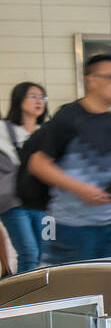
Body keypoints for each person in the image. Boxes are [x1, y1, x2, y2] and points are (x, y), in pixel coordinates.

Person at [26, 54, 111, 265]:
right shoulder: (68, 117)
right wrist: (80, 189)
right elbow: (37, 163)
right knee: (75, 291)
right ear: (91, 80)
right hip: (71, 227)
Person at [1, 82, 49, 273]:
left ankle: (39, 297)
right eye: (33, 96)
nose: (39, 101)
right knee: (29, 253)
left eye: (42, 97)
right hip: (13, 202)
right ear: (19, 99)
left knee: (45, 253)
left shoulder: (47, 130)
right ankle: (24, 300)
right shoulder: (3, 129)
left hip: (42, 202)